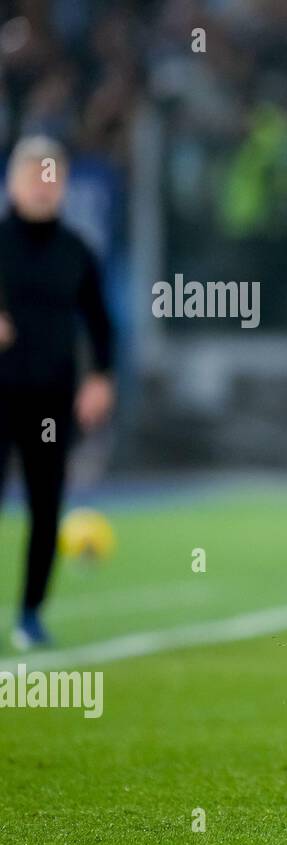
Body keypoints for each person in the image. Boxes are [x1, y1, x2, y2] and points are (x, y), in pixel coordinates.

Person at [0, 135, 115, 650]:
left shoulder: (77, 251)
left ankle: (29, 614)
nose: (43, 187)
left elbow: (100, 321)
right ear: (13, 182)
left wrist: (101, 377)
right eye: (34, 175)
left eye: (53, 176)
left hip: (51, 400)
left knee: (46, 507)